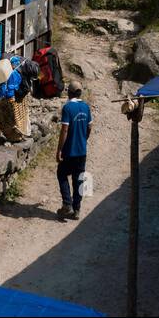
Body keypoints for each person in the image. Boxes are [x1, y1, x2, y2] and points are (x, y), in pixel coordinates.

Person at [56, 82, 92, 221]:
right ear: (80, 93)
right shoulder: (86, 107)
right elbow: (90, 127)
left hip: (69, 151)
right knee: (79, 179)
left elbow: (65, 129)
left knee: (61, 174)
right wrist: (84, 138)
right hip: (82, 151)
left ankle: (67, 204)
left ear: (69, 93)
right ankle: (77, 209)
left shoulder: (68, 108)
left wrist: (59, 149)